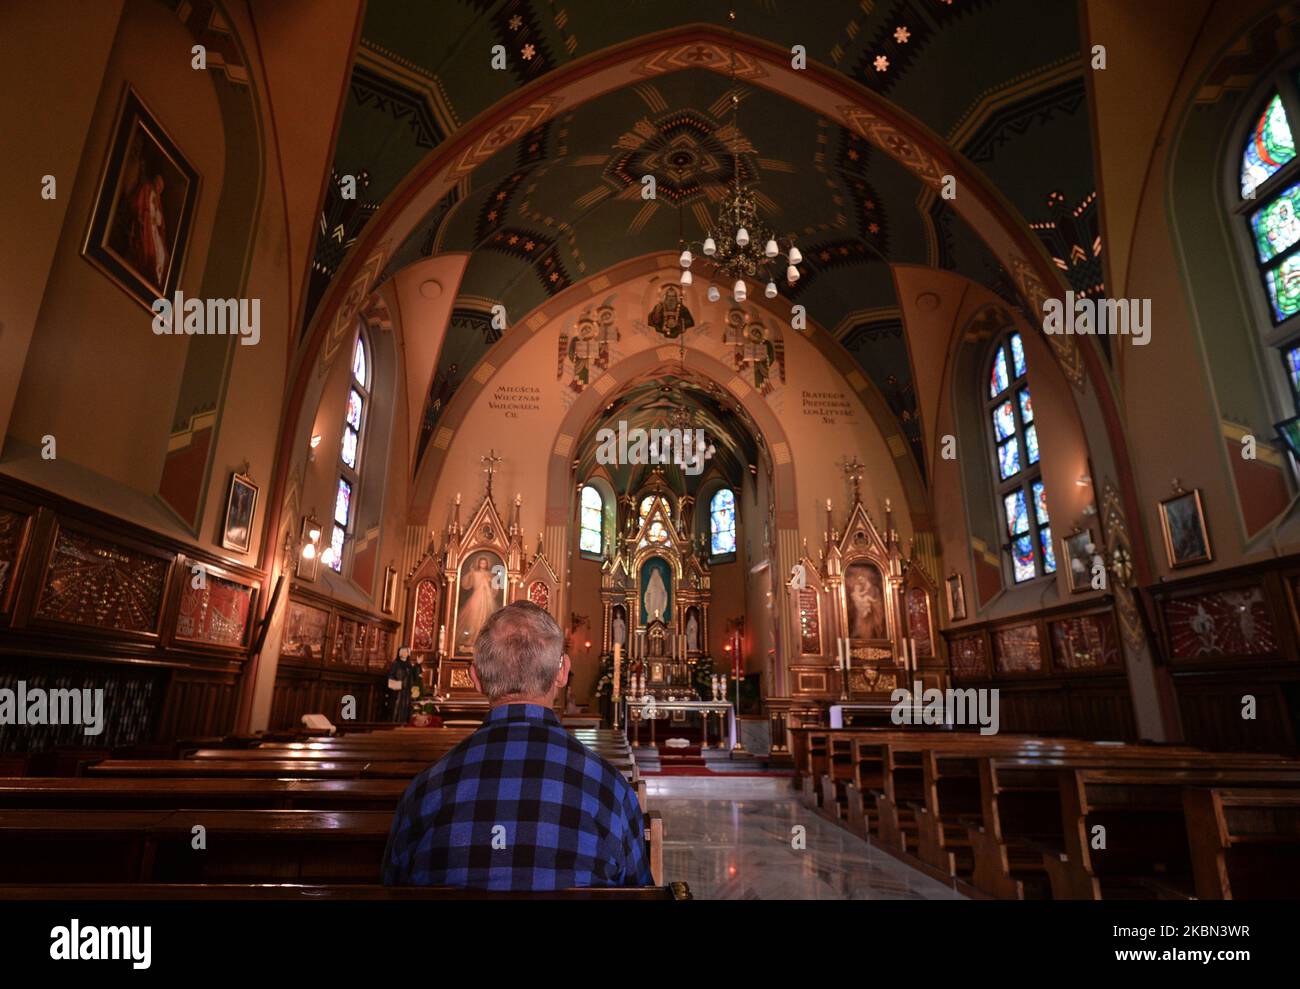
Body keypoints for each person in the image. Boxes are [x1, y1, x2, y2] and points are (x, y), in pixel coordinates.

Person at [383, 601, 652, 890]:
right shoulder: (610, 790)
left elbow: (392, 886)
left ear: (476, 678)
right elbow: (639, 891)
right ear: (562, 673)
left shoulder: (425, 791)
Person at [385, 647, 419, 723]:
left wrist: (417, 665)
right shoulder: (395, 664)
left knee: (405, 710)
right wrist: (399, 684)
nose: (404, 653)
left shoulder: (409, 665)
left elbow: (415, 677)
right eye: (402, 652)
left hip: (406, 692)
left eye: (406, 652)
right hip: (397, 691)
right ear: (399, 653)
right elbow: (390, 676)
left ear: (408, 654)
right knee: (395, 710)